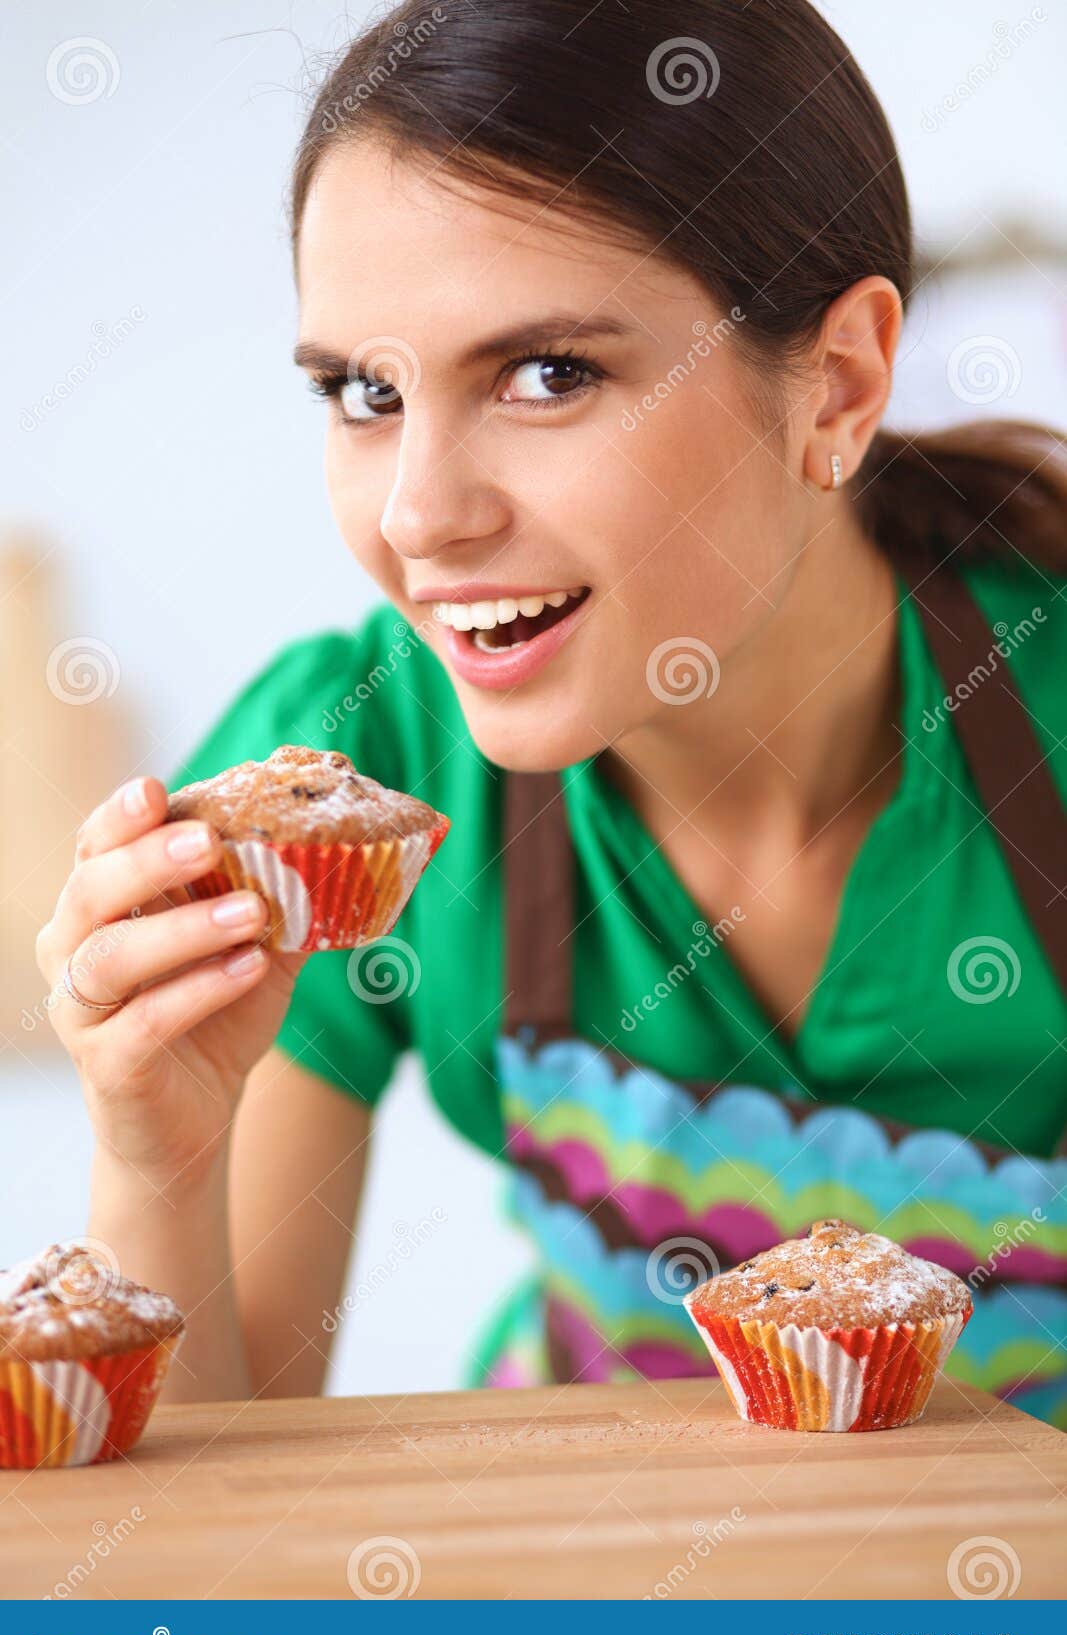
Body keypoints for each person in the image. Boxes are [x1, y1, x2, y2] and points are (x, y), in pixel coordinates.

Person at [37, 0, 1067, 1423]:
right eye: (363, 391)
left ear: (838, 385)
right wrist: (161, 1157)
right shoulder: (360, 765)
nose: (419, 516)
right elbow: (217, 1531)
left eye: (549, 375)